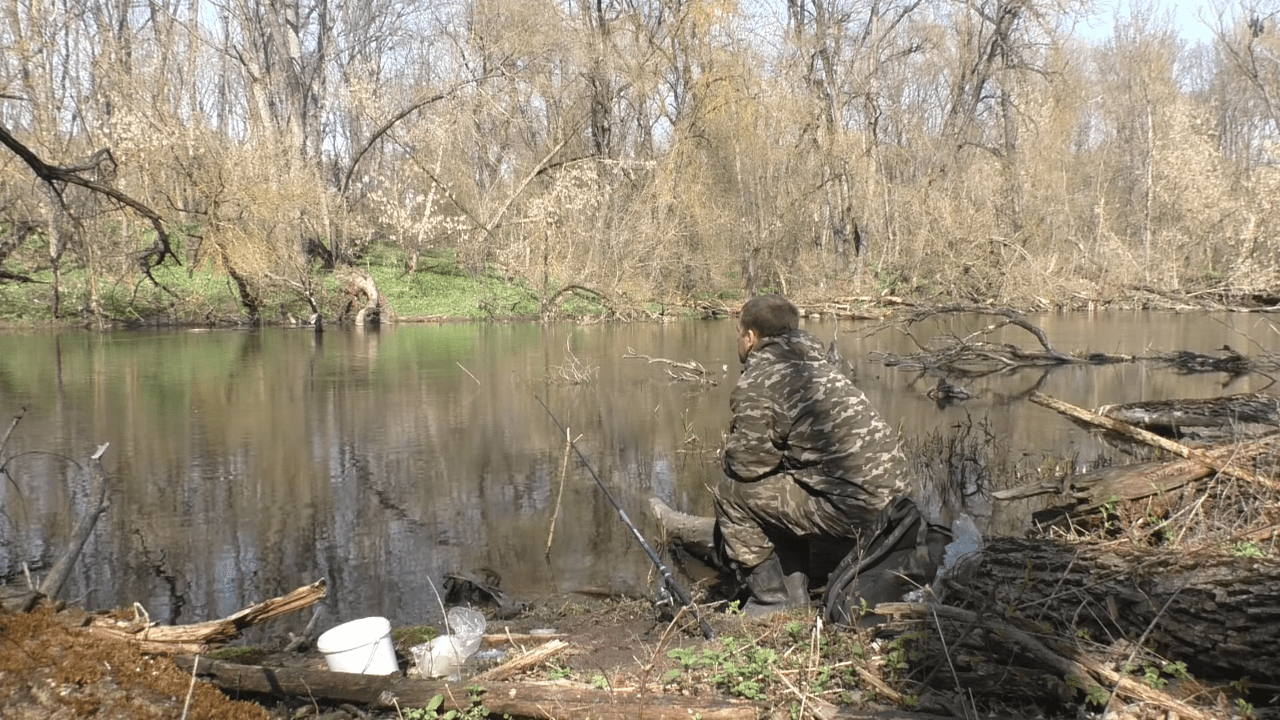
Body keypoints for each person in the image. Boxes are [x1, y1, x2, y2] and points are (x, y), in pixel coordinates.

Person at [654, 294, 918, 617]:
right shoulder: (818, 364)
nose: (738, 339)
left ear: (750, 338)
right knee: (784, 481)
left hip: (859, 507)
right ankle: (798, 589)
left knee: (731, 493)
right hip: (899, 504)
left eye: (738, 333)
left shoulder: (762, 378)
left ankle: (772, 600)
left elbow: (747, 467)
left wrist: (732, 455)